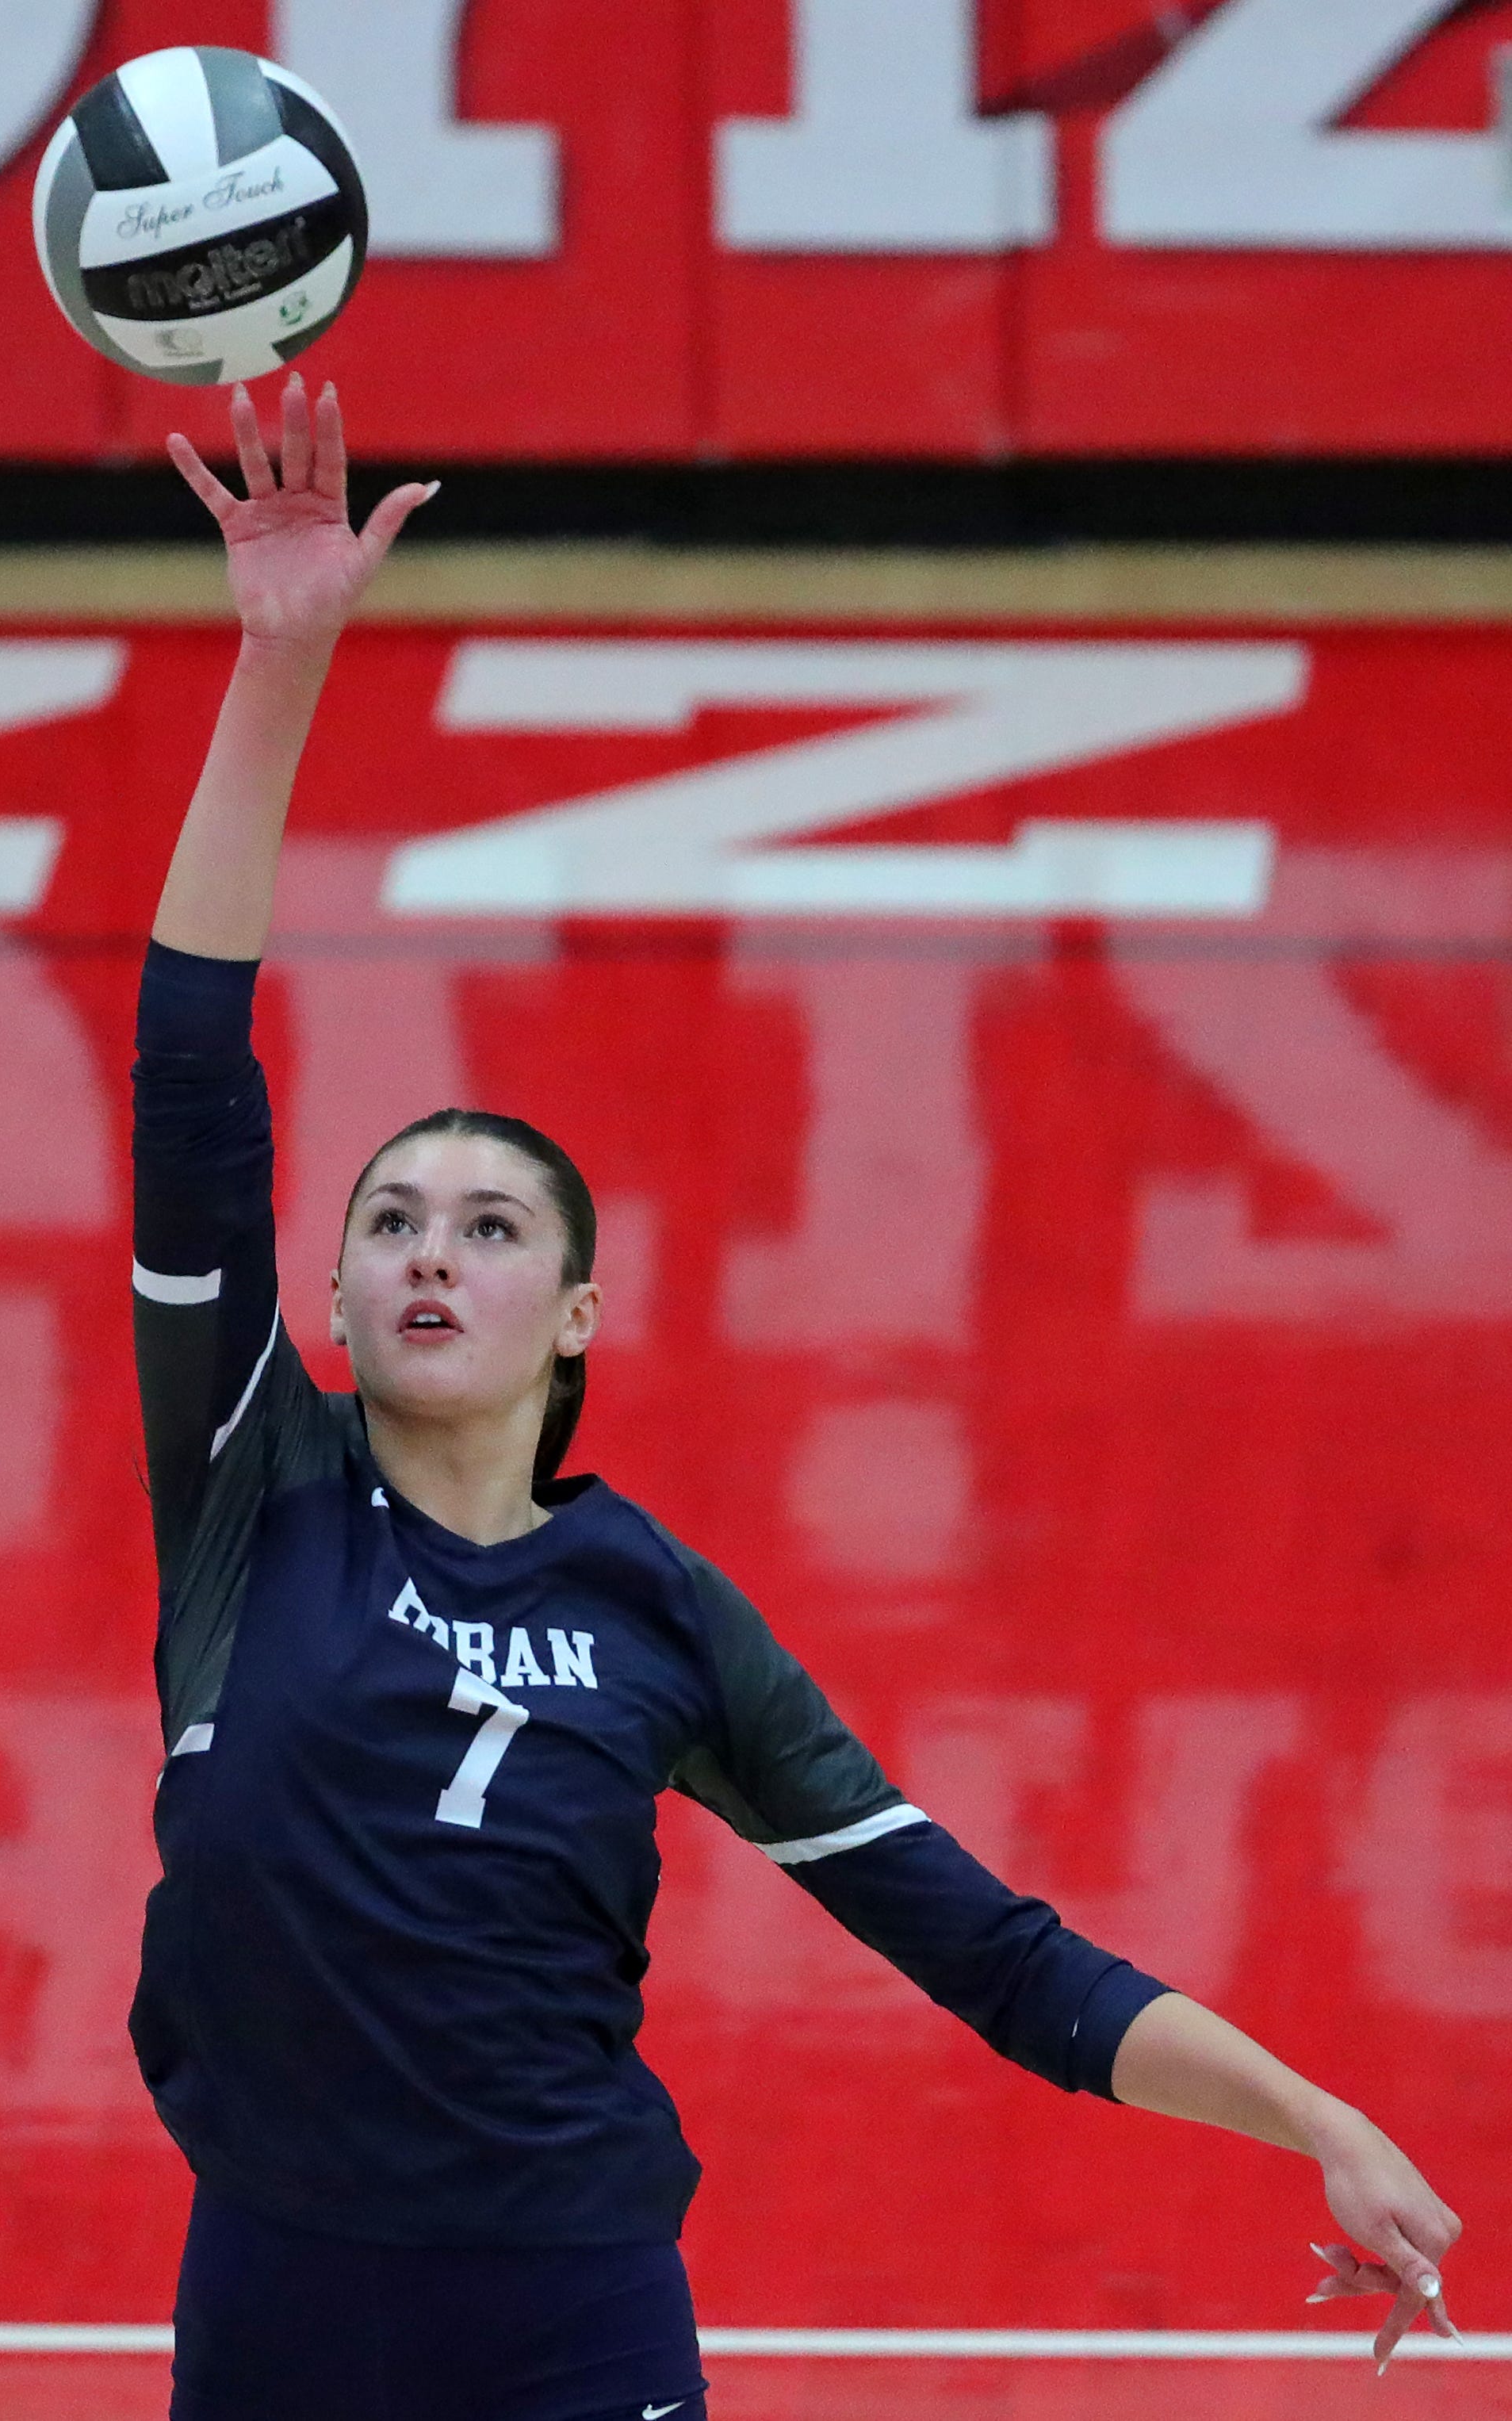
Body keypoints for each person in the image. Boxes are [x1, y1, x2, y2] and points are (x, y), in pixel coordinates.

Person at [129, 373, 1461, 2421]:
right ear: (320, 1290)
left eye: (492, 1231)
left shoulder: (653, 1611)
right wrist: (284, 657)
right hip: (274, 2299)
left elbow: (991, 1954)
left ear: (581, 1314)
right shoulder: (255, 1484)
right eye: (390, 1218)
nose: (425, 1251)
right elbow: (195, 1075)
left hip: (559, 2307)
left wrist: (1321, 2122)